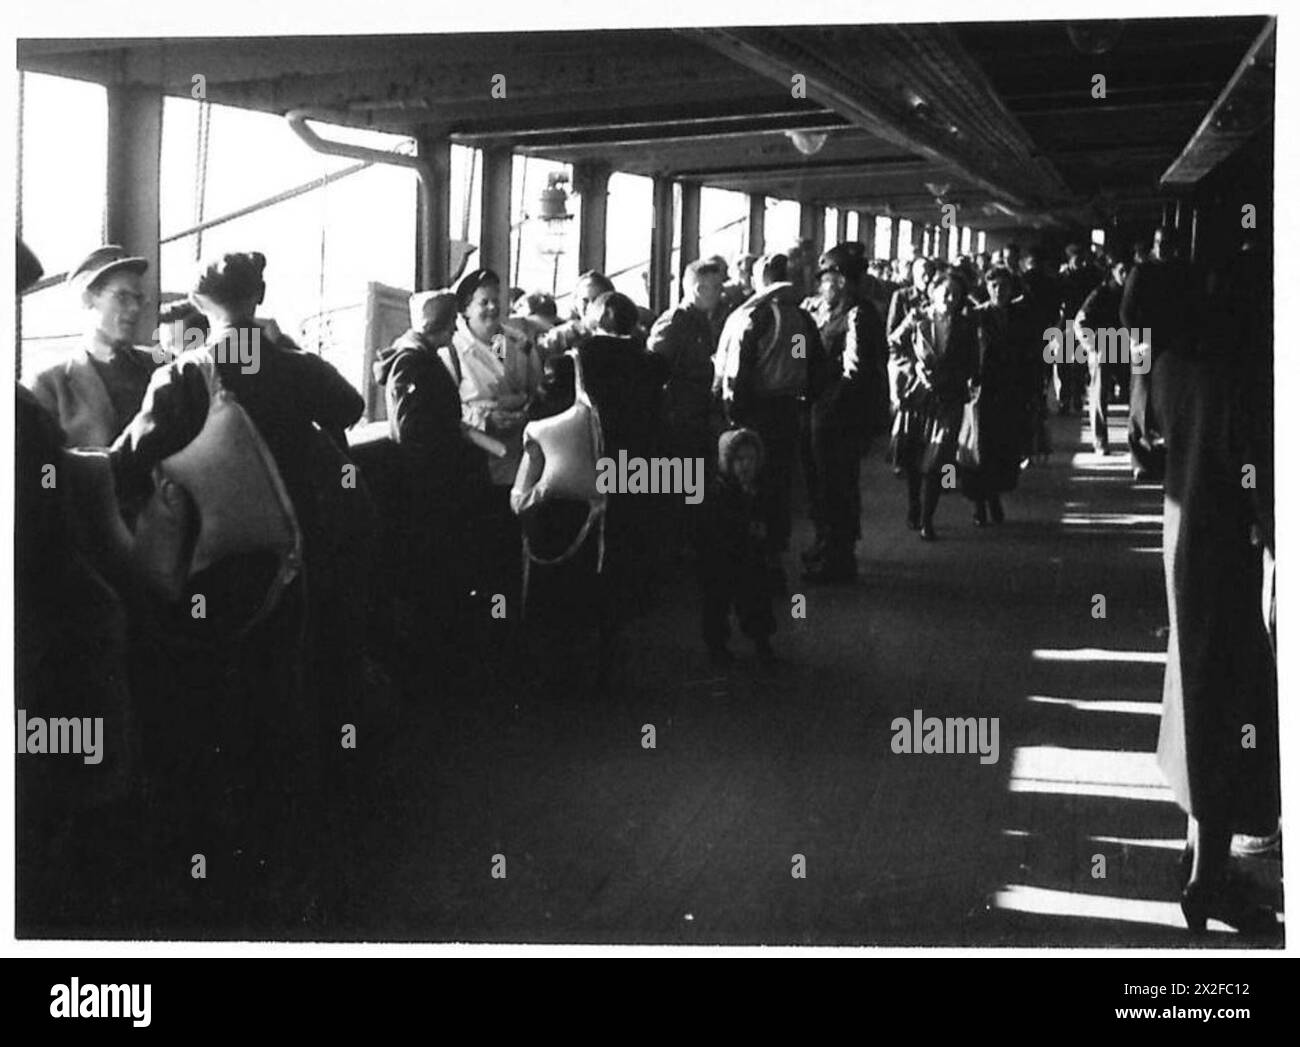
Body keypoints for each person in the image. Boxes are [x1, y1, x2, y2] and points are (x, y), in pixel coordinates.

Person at [111, 250, 368, 929]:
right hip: (291, 563)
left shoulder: (184, 375)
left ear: (199, 306)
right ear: (259, 297)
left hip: (214, 571)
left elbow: (127, 460)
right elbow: (352, 404)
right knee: (284, 702)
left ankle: (219, 873)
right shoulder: (290, 364)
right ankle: (293, 869)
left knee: (214, 707)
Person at [1155, 239, 1278, 936]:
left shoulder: (1171, 368)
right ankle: (1208, 883)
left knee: (1194, 697)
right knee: (1229, 711)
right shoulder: (1240, 383)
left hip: (1180, 543)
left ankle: (1200, 857)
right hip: (1227, 554)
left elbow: (1145, 433)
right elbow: (1256, 475)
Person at [525, 291, 668, 682]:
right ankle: (610, 650)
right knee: (620, 564)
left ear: (592, 318)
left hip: (580, 478)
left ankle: (567, 659)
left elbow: (539, 417)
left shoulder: (569, 365)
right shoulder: (653, 366)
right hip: (635, 478)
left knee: (576, 565)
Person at [373, 290, 488, 666]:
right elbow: (414, 431)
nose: (457, 326)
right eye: (451, 320)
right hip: (432, 488)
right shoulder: (414, 363)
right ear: (434, 324)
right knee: (435, 575)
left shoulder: (417, 358)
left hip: (432, 485)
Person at [715, 253, 825, 558]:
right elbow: (811, 365)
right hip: (790, 411)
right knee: (780, 484)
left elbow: (739, 372)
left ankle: (752, 554)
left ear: (757, 279)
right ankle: (776, 552)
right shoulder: (801, 320)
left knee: (752, 484)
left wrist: (733, 416)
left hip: (756, 413)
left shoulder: (754, 318)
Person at [800, 244, 889, 581]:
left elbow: (856, 371)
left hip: (840, 416)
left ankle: (840, 559)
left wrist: (826, 403)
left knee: (837, 485)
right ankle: (827, 542)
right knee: (824, 484)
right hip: (825, 412)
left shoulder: (858, 315)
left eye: (827, 278)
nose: (823, 285)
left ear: (840, 280)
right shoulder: (831, 311)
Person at [30, 245, 159, 447]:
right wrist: (52, 480)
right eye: (122, 297)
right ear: (88, 299)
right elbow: (44, 468)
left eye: (138, 298)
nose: (135, 308)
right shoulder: (51, 384)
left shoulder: (161, 367)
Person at [887, 272, 979, 540]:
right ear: (933, 292)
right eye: (945, 293)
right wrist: (913, 370)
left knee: (938, 460)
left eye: (956, 294)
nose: (951, 299)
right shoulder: (917, 319)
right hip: (917, 398)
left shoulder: (965, 325)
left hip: (948, 398)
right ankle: (914, 507)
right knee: (915, 457)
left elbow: (973, 364)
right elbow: (893, 346)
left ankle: (928, 519)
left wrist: (947, 378)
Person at [1120, 225, 1202, 480]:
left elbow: (1193, 310)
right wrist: (1137, 339)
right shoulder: (1141, 271)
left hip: (1175, 346)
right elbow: (1126, 311)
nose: (1162, 247)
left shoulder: (1184, 271)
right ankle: (1140, 461)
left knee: (1173, 403)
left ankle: (1168, 460)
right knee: (1141, 399)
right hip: (1145, 343)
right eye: (1159, 242)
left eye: (1167, 243)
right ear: (1154, 244)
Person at [697, 428, 777, 664]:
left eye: (751, 459)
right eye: (739, 459)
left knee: (757, 598)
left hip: (749, 555)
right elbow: (714, 524)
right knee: (717, 603)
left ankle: (761, 639)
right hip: (722, 557)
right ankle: (717, 645)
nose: (746, 465)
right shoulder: (718, 492)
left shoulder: (760, 490)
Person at [962, 267, 1028, 525]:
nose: (999, 291)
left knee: (1002, 449)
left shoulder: (1019, 317)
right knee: (979, 449)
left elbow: (1028, 353)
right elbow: (966, 351)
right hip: (981, 391)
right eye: (994, 287)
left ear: (1011, 290)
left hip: (1009, 390)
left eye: (1004, 287)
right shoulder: (975, 317)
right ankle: (980, 504)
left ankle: (994, 496)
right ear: (987, 289)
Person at [1075, 257, 1132, 454]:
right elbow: (1080, 322)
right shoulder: (1102, 292)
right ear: (1114, 271)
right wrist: (1093, 346)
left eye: (1128, 271)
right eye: (1122, 270)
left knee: (1137, 395)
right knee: (1099, 395)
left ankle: (1139, 441)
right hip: (1104, 345)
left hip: (1128, 347)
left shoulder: (1133, 292)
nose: (1125, 275)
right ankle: (1100, 441)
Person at [538, 271, 615, 361]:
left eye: (597, 300)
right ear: (575, 302)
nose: (591, 306)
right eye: (585, 301)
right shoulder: (563, 334)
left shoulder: (625, 333)